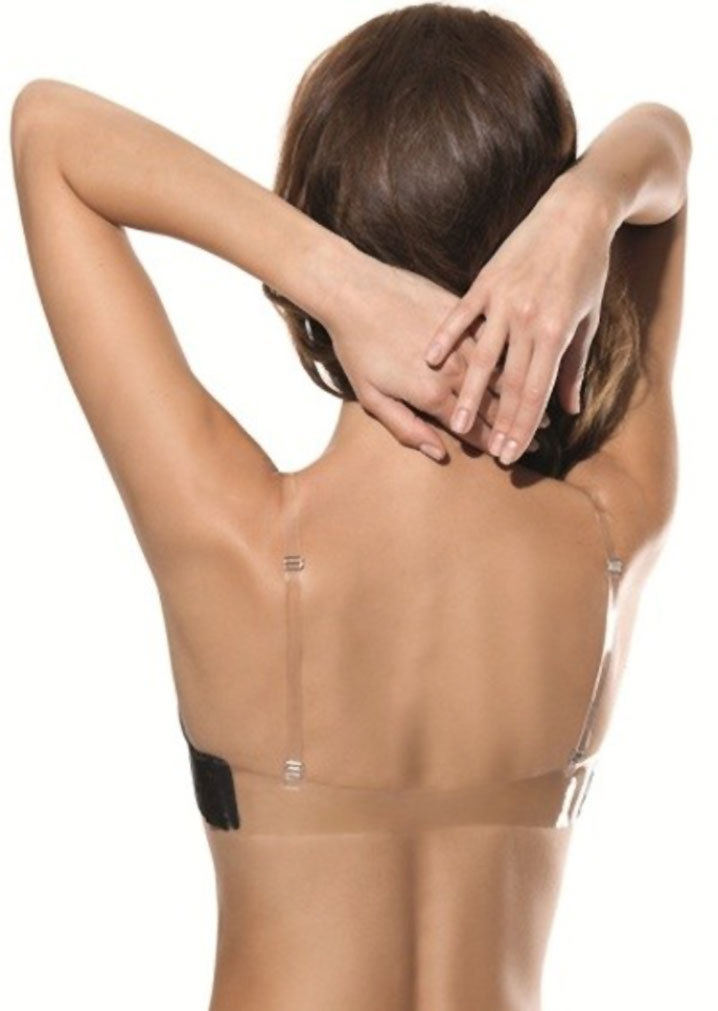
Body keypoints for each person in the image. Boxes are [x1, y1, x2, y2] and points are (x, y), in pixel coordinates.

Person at [11, 5, 690, 1010]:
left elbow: (47, 131)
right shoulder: (610, 531)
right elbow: (667, 152)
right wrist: (586, 205)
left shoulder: (235, 537)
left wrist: (330, 278)